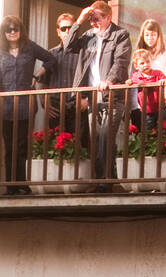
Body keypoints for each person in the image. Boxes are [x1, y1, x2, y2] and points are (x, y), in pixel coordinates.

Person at [63, 2, 132, 189]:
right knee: (96, 139)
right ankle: (104, 179)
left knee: (105, 137)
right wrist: (79, 20)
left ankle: (104, 181)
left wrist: (109, 80)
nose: (93, 22)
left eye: (97, 18)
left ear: (108, 17)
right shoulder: (89, 36)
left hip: (113, 95)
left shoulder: (120, 35)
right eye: (91, 19)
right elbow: (68, 46)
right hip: (93, 96)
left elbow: (121, 62)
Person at [0, 16, 57, 195]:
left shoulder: (30, 47)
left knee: (22, 145)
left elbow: (50, 59)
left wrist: (37, 76)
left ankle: (23, 184)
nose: (12, 32)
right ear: (3, 32)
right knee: (9, 147)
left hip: (26, 105)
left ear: (21, 30)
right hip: (6, 106)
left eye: (16, 29)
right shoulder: (0, 52)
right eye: (8, 29)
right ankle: (10, 186)